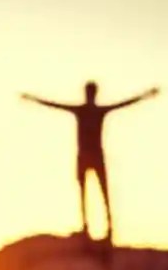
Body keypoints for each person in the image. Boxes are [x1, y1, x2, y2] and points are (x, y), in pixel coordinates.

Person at [21, 81, 159, 241]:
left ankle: (106, 228)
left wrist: (145, 96)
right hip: (87, 156)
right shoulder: (84, 111)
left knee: (100, 192)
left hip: (93, 156)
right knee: (87, 192)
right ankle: (89, 227)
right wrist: (32, 99)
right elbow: (54, 105)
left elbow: (124, 104)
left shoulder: (91, 111)